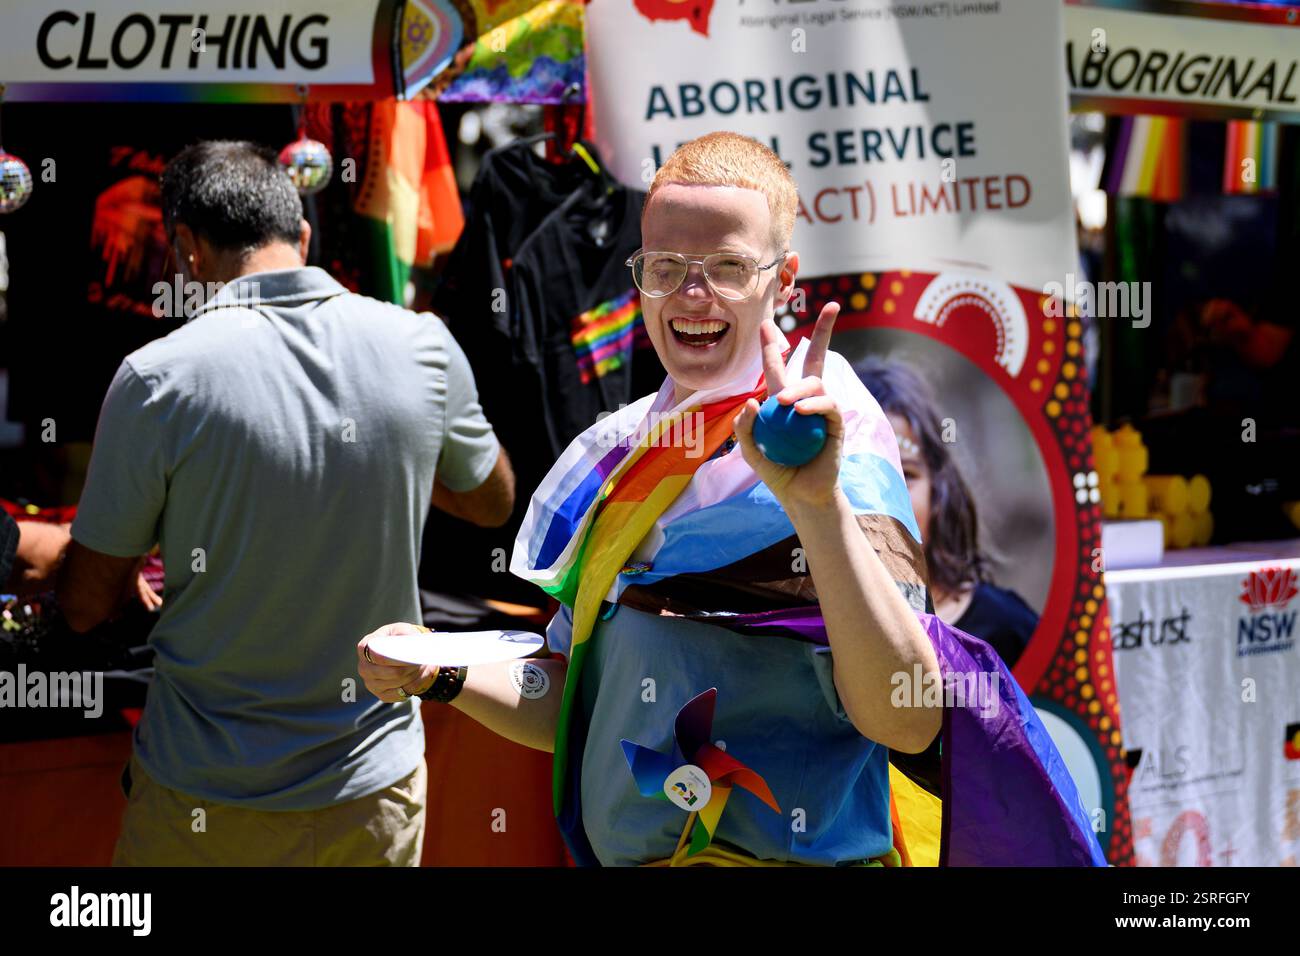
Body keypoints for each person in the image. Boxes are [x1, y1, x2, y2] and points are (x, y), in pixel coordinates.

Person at [360, 131, 946, 866]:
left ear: (784, 279)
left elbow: (910, 719)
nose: (691, 297)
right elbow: (581, 700)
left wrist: (817, 506)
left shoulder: (841, 443)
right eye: (666, 268)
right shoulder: (622, 451)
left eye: (728, 268)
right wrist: (441, 673)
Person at [57, 140, 514, 866]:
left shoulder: (156, 380)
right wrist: (396, 450)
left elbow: (83, 605)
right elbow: (493, 502)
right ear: (302, 236)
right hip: (372, 788)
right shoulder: (422, 345)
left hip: (203, 797)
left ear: (186, 249)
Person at [855, 357, 1039, 668]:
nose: (886, 499)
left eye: (907, 475)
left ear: (939, 492)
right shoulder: (802, 633)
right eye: (862, 478)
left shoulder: (1005, 627)